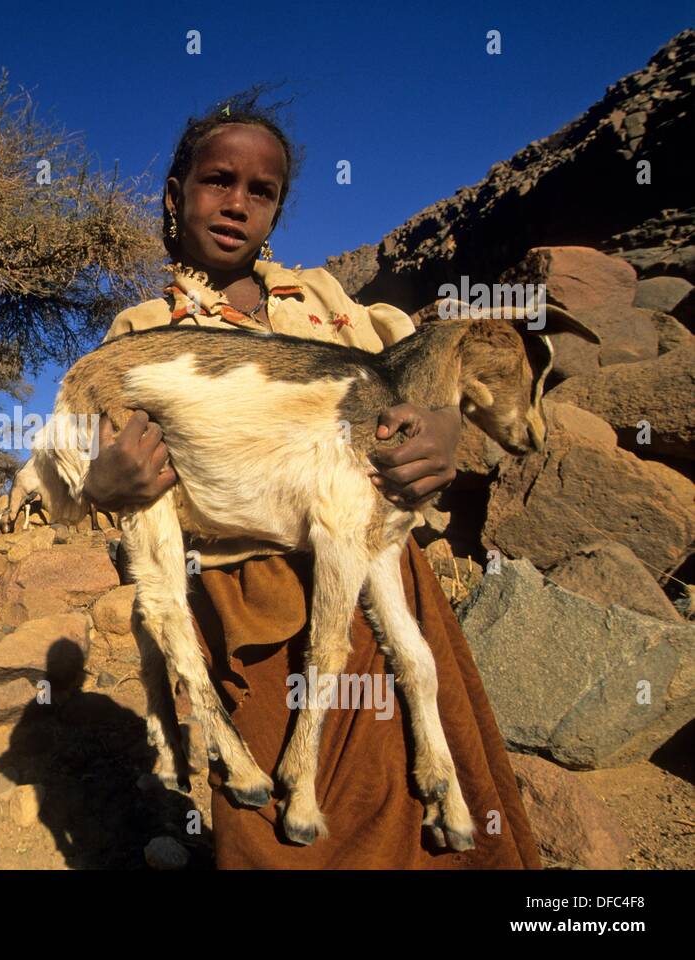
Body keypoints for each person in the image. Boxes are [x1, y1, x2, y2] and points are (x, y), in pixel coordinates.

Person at [84, 92, 540, 869]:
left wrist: (446, 428)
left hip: (377, 570)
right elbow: (112, 478)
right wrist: (107, 485)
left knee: (409, 797)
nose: (237, 204)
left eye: (261, 192)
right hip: (247, 602)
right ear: (175, 195)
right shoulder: (140, 331)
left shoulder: (325, 300)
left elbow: (422, 376)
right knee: (277, 839)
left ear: (278, 210)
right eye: (217, 181)